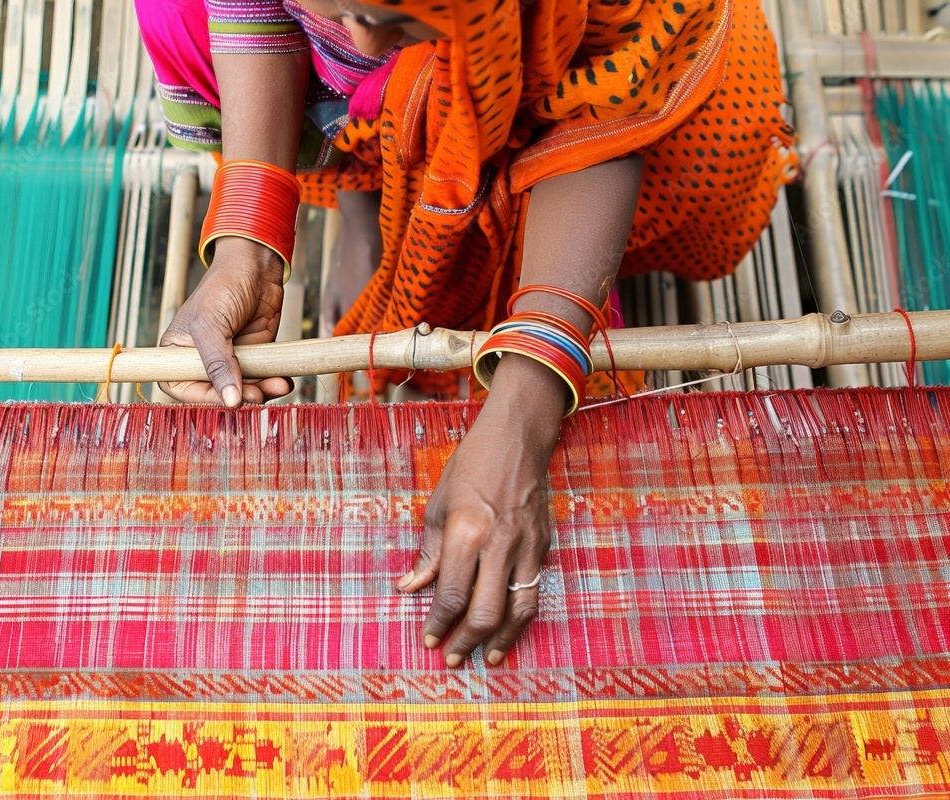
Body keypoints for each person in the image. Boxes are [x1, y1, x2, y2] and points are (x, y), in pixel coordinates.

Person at [135, 0, 796, 668]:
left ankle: (561, 262)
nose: (365, 35)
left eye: (387, 12)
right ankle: (374, 194)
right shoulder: (375, 32)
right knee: (178, 17)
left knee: (543, 143)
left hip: (612, 83)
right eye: (342, 9)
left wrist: (524, 414)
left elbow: (608, 109)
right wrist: (248, 239)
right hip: (413, 88)